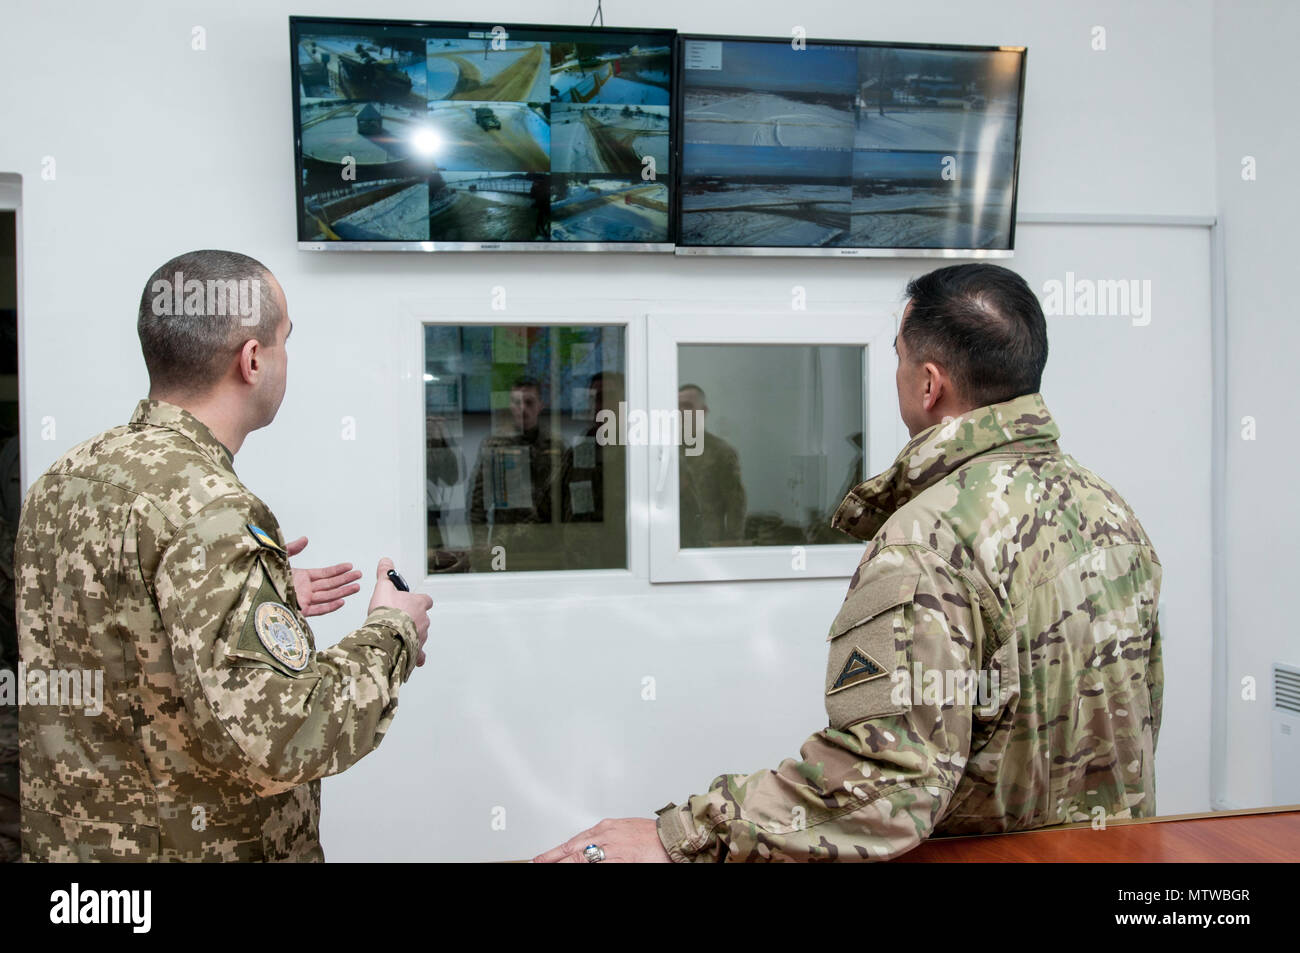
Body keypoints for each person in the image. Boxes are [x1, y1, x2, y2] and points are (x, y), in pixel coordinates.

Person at [535, 262, 1163, 863]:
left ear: (929, 383)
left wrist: (683, 836)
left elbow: (890, 782)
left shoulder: (928, 538)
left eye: (897, 354)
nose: (895, 374)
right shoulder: (1109, 510)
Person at [17, 249, 433, 862]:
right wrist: (391, 631)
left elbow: (118, 641)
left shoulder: (62, 479)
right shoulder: (212, 510)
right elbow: (286, 737)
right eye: (285, 339)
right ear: (253, 358)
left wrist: (261, 593)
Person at [466, 377, 561, 571]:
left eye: (529, 402)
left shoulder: (555, 447)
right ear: (510, 406)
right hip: (503, 543)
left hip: (544, 543)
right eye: (517, 402)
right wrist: (480, 545)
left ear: (540, 405)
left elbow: (562, 504)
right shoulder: (495, 446)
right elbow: (478, 503)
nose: (522, 409)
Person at [558, 371, 627, 569]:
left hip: (626, 567)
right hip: (580, 567)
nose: (601, 405)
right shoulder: (577, 453)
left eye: (609, 397)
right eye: (595, 399)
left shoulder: (639, 454)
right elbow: (552, 508)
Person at [677, 384, 746, 547]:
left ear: (703, 411)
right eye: (676, 406)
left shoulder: (720, 452)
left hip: (707, 543)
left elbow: (736, 504)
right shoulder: (665, 451)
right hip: (672, 541)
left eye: (687, 406)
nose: (680, 412)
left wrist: (733, 543)